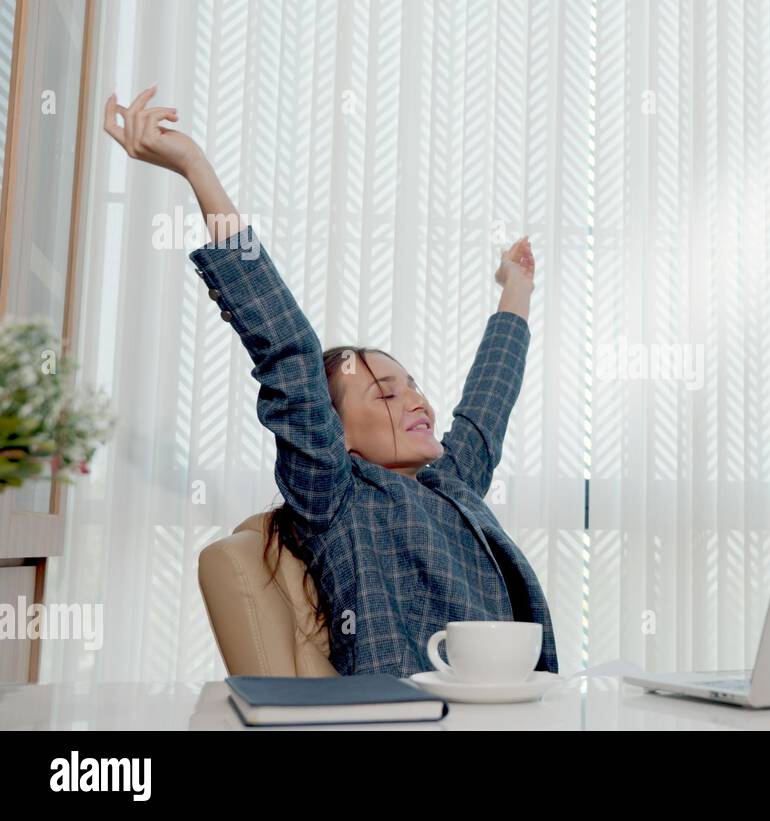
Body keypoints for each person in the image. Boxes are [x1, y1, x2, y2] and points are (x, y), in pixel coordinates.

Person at [103, 84, 558, 677]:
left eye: (413, 385)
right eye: (385, 392)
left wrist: (515, 286)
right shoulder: (333, 494)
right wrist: (195, 168)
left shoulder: (452, 481)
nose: (416, 400)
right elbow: (287, 348)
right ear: (334, 433)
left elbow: (489, 398)